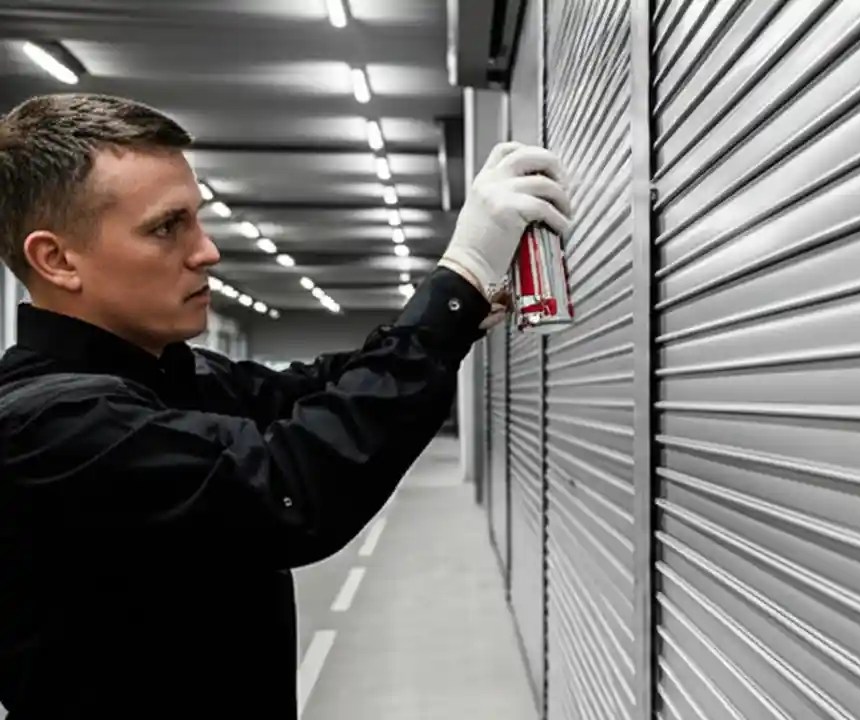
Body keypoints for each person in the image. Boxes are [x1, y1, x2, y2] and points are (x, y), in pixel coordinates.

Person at [0, 93, 571, 718]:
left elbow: (313, 391)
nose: (206, 250)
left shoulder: (177, 375)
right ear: (57, 259)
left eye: (197, 219)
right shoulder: (45, 428)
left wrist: (455, 315)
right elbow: (290, 486)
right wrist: (459, 278)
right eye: (167, 227)